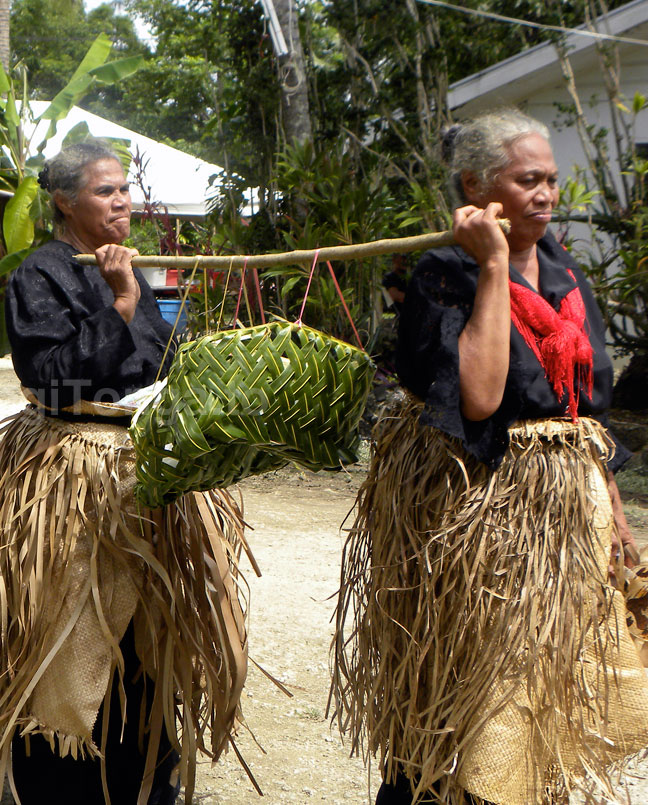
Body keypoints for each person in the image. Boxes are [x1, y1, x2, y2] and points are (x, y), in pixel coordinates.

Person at [331, 109, 648, 804]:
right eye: (527, 179)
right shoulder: (443, 272)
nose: (545, 193)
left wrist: (612, 510)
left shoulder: (564, 268)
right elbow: (478, 396)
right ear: (477, 184)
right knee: (472, 700)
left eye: (552, 180)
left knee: (542, 696)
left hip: (564, 510)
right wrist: (496, 264)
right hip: (483, 513)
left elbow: (582, 412)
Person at [0, 140, 255, 804]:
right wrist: (118, 303)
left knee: (147, 639)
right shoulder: (40, 274)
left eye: (124, 189)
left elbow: (160, 361)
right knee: (71, 632)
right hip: (75, 474)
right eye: (105, 191)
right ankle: (64, 783)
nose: (122, 202)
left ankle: (143, 782)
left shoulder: (130, 267)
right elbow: (55, 380)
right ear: (63, 201)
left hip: (143, 474)